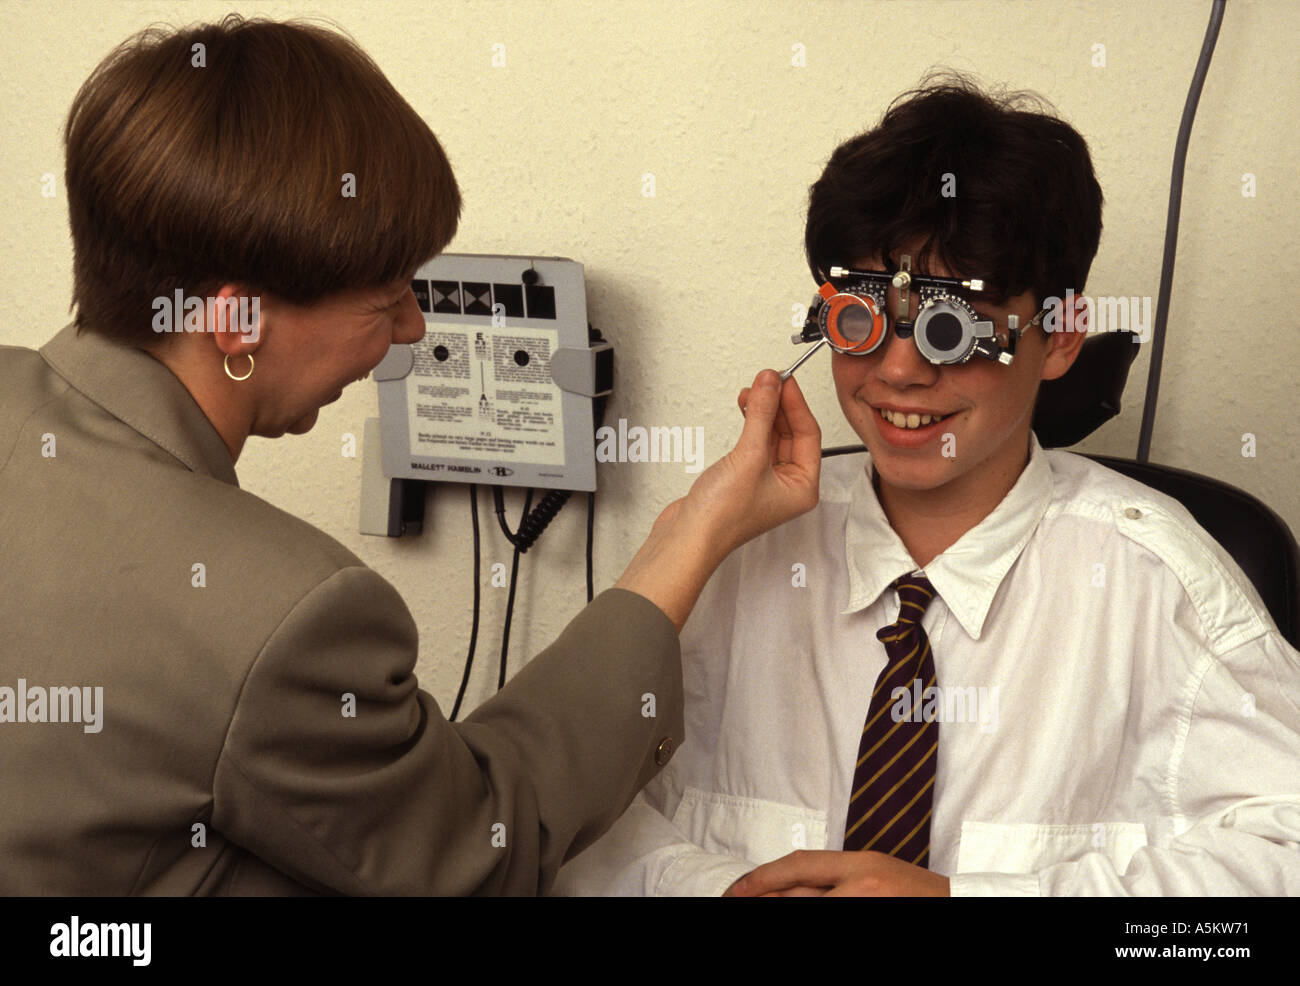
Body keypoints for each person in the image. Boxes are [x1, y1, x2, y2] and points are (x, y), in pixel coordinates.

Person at [0, 15, 822, 895]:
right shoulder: (283, 616)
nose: (415, 330)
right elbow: (484, 848)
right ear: (235, 320)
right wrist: (683, 542)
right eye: (386, 300)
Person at [552, 75, 1300, 896]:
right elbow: (564, 825)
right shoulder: (732, 561)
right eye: (861, 321)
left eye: (953, 328)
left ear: (1058, 337)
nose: (900, 372)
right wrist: (714, 889)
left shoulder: (1158, 589)